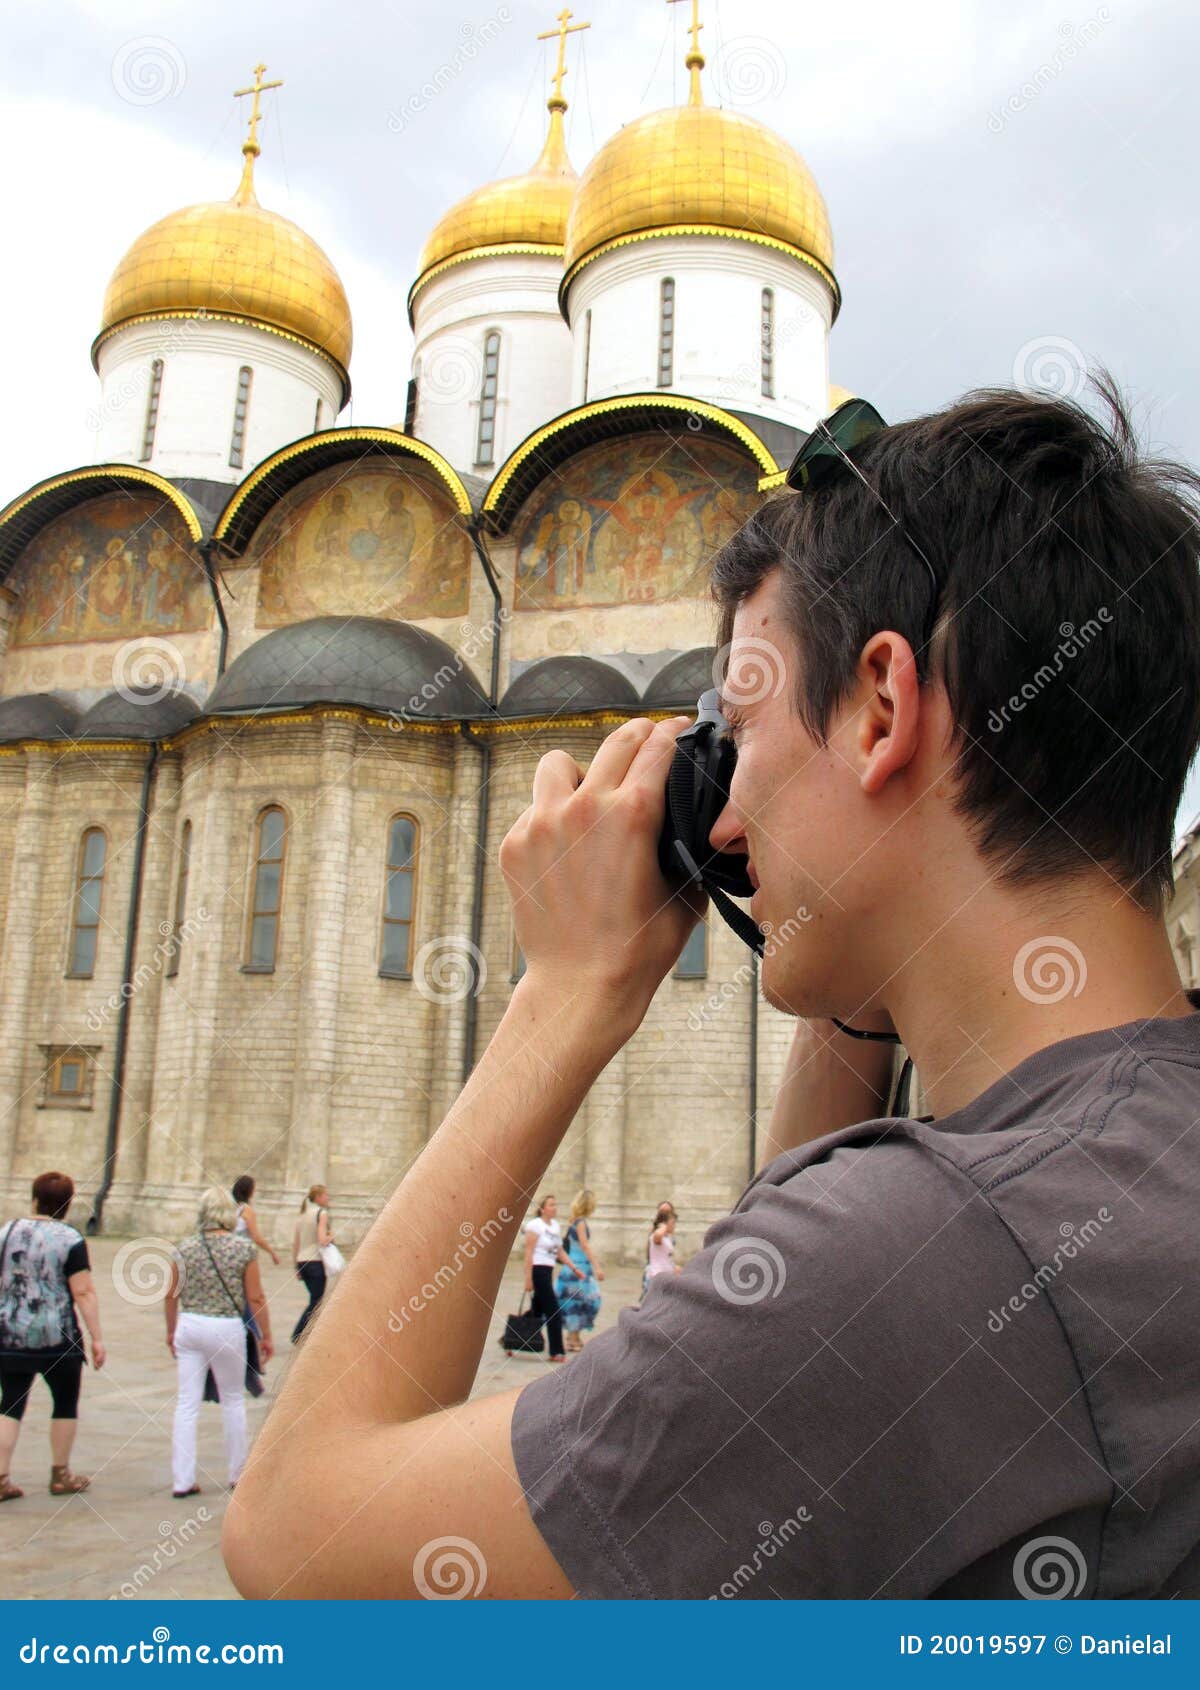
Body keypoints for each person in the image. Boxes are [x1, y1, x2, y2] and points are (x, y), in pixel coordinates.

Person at [226, 379, 1200, 1601]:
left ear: (882, 709)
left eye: (739, 728)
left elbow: (293, 1539)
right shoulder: (1120, 1159)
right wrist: (864, 953)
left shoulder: (915, 1263)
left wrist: (563, 994)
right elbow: (793, 1248)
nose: (725, 821)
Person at [0, 1172, 104, 1500]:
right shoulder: (70, 1239)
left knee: (10, 1403)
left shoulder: (7, 1231)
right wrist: (97, 1337)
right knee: (65, 1402)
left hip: (11, 1332)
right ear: (68, 1204)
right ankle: (60, 1474)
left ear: (34, 1199)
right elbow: (83, 1291)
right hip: (59, 1336)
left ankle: (1, 1476)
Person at [166, 1186, 272, 1498]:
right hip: (226, 1326)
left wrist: (171, 1330)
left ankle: (182, 1480)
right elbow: (255, 1296)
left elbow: (171, 1294)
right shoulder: (243, 1249)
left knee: (187, 1403)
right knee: (233, 1399)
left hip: (190, 1325)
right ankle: (237, 1473)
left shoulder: (184, 1248)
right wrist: (265, 1335)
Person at [523, 1195, 581, 1363]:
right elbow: (529, 1252)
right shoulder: (535, 1225)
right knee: (553, 1310)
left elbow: (559, 1251)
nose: (555, 1207)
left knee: (537, 1311)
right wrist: (528, 1278)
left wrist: (574, 1268)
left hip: (548, 1270)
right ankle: (556, 1351)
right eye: (551, 1205)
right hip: (537, 1270)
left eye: (556, 1204)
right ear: (543, 1208)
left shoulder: (555, 1226)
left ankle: (510, 1339)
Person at [556, 1191, 604, 1352]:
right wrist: (597, 1266)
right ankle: (572, 1337)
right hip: (579, 1266)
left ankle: (573, 1335)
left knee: (575, 1300)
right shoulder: (581, 1222)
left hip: (573, 1265)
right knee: (583, 1300)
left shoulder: (573, 1221)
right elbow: (584, 1245)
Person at [291, 1185, 333, 1343]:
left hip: (302, 1261)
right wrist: (331, 1236)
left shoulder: (302, 1215)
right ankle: (299, 1333)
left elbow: (296, 1243)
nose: (328, 1198)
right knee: (317, 1301)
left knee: (315, 1299)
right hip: (315, 1261)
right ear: (318, 1197)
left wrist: (296, 1266)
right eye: (325, 1195)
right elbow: (322, 1240)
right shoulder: (322, 1213)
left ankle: (306, 1333)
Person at [232, 1175, 280, 1267]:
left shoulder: (232, 1207)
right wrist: (272, 1252)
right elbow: (256, 1237)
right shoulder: (247, 1210)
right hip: (242, 1252)